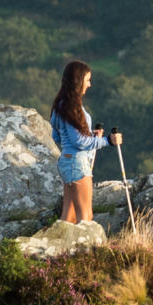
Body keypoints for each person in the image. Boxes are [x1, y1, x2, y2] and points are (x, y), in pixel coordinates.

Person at [50, 60, 121, 225]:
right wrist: (107, 141)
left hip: (66, 162)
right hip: (77, 164)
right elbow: (79, 142)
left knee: (68, 218)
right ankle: (81, 243)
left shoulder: (60, 105)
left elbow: (58, 137)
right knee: (85, 217)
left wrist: (90, 135)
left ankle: (59, 241)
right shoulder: (73, 107)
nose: (89, 84)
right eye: (87, 80)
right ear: (78, 80)